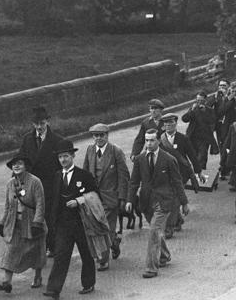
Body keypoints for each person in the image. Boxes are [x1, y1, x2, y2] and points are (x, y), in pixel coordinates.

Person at [126, 129, 189, 278]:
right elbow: (134, 182)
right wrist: (129, 200)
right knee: (157, 232)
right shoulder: (140, 159)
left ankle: (151, 268)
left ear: (158, 141)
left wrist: (184, 202)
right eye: (146, 140)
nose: (148, 143)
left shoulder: (168, 159)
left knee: (154, 231)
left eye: (152, 140)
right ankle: (164, 255)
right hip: (146, 202)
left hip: (164, 202)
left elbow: (177, 182)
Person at [43, 141, 99, 300]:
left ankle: (88, 283)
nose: (63, 160)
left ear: (73, 156)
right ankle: (53, 289)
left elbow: (95, 195)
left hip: (81, 222)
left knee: (86, 253)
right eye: (60, 157)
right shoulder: (56, 176)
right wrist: (52, 222)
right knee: (60, 255)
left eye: (66, 156)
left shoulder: (84, 175)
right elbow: (52, 200)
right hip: (63, 224)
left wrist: (79, 201)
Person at [81, 123, 129, 272]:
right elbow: (84, 173)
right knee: (96, 226)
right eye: (96, 135)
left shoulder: (115, 151)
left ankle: (103, 260)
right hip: (93, 198)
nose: (99, 138)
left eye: (101, 135)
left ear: (107, 135)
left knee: (106, 228)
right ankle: (114, 242)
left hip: (110, 198)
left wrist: (122, 197)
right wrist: (82, 193)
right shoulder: (90, 150)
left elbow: (124, 176)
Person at [0, 153, 47, 293]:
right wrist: (2, 223)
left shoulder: (35, 181)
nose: (16, 166)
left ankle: (38, 276)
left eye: (19, 163)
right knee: (11, 250)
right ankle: (7, 282)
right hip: (15, 223)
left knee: (36, 250)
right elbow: (8, 206)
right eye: (14, 164)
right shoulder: (10, 184)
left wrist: (37, 223)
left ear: (25, 166)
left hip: (32, 223)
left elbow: (40, 204)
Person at [19, 106, 64, 254]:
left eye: (42, 123)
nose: (39, 127)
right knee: (35, 216)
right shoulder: (27, 139)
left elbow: (61, 167)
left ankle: (52, 245)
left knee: (50, 216)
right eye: (36, 124)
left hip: (50, 186)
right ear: (32, 124)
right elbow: (20, 160)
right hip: (32, 185)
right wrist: (17, 180)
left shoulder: (57, 140)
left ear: (48, 122)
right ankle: (41, 246)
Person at [158, 113, 201, 238]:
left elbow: (192, 155)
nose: (168, 125)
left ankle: (169, 228)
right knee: (169, 198)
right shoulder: (159, 140)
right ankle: (178, 220)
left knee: (175, 200)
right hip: (165, 174)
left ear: (175, 124)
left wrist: (198, 171)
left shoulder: (183, 138)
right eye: (166, 123)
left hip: (181, 173)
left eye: (171, 123)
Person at [182, 91, 217, 172]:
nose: (199, 102)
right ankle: (197, 173)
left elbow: (212, 120)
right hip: (193, 136)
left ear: (205, 101)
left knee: (202, 156)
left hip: (204, 137)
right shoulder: (193, 109)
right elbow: (184, 119)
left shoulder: (209, 110)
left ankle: (200, 172)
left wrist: (205, 112)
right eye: (198, 100)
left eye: (201, 101)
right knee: (194, 156)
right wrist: (192, 110)